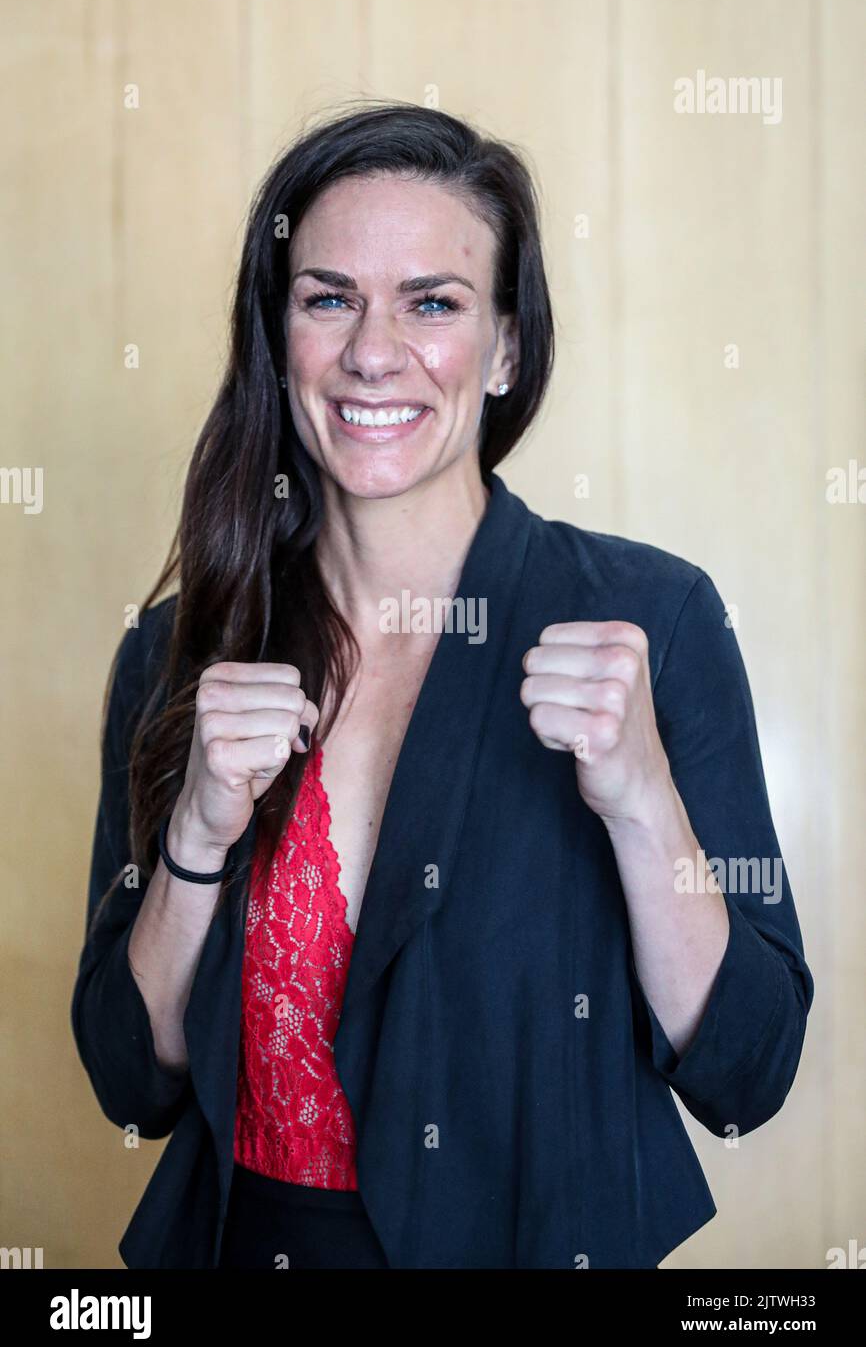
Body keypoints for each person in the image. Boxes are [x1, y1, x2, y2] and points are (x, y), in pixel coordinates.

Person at [71, 100, 813, 1270]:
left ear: (506, 348)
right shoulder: (178, 654)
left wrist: (640, 800)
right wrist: (198, 837)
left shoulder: (649, 621)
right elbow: (131, 1081)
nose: (374, 350)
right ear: (280, 336)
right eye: (328, 298)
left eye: (432, 302)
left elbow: (744, 1072)